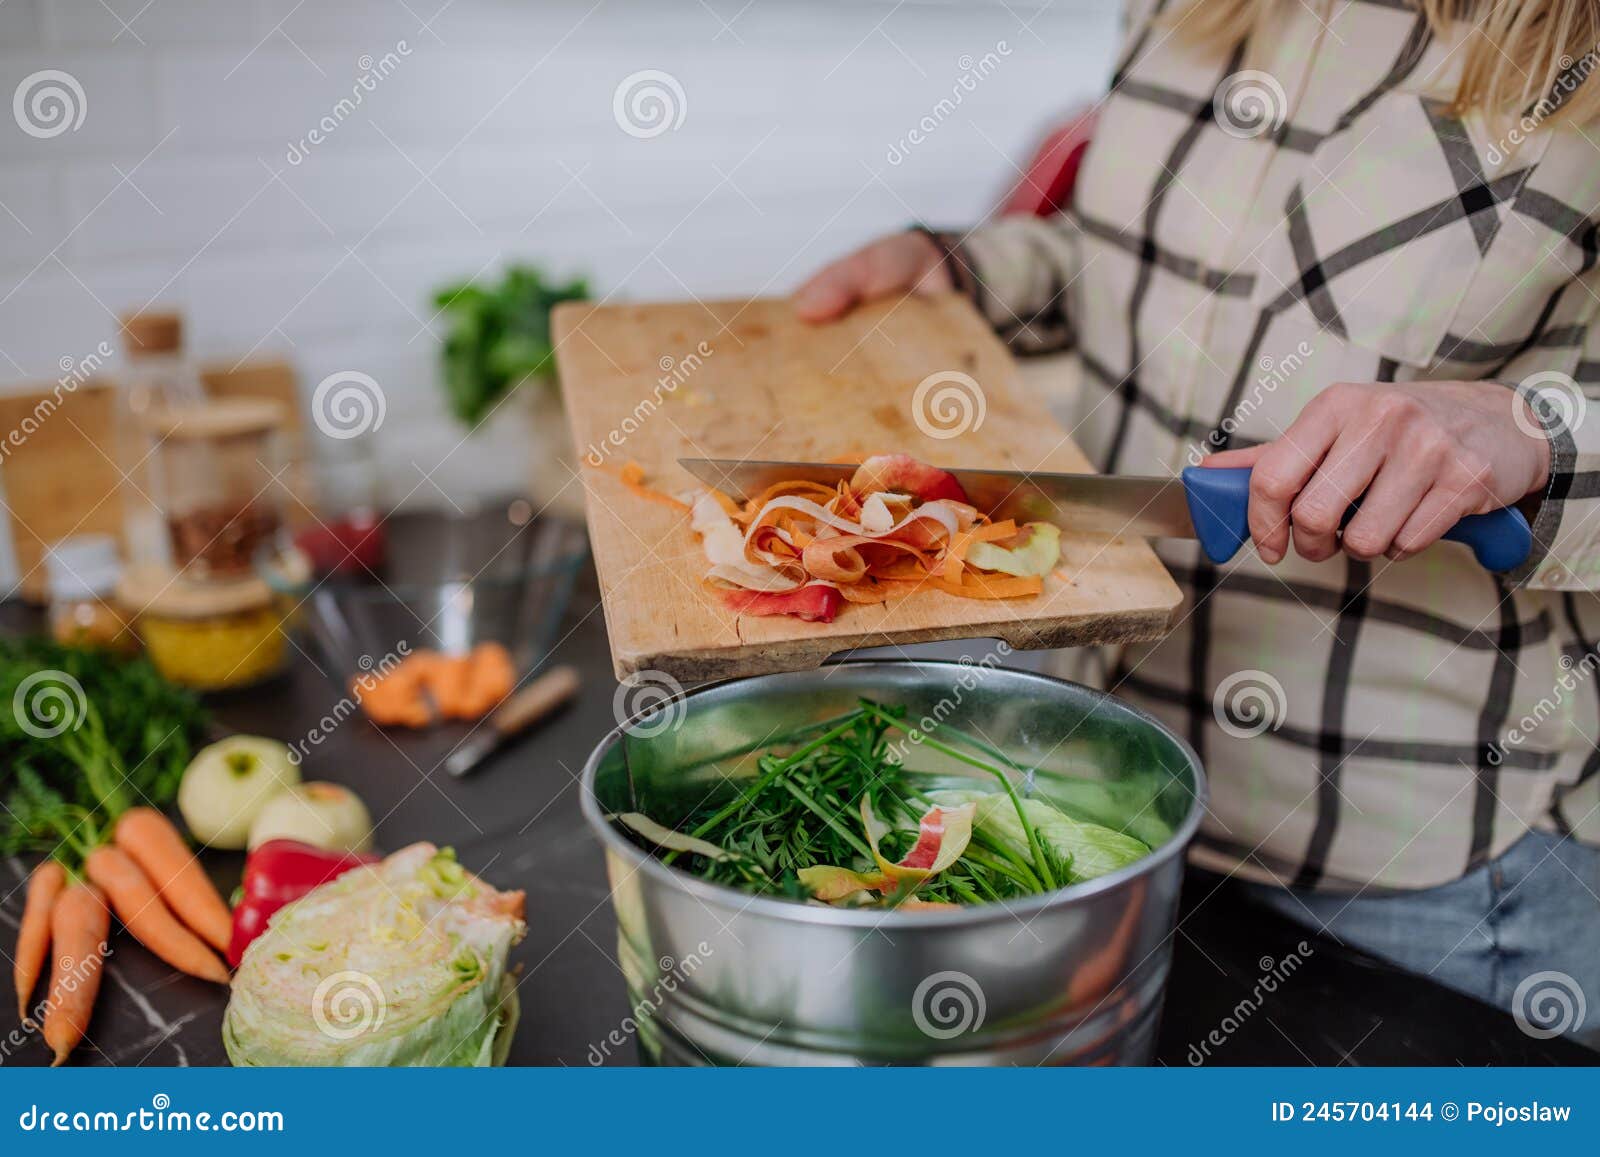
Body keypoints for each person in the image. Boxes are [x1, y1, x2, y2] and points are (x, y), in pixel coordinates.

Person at [795, 0, 1600, 1047]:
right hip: (1093, 801)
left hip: (1430, 883)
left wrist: (1533, 436)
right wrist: (969, 274)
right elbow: (1142, 260)